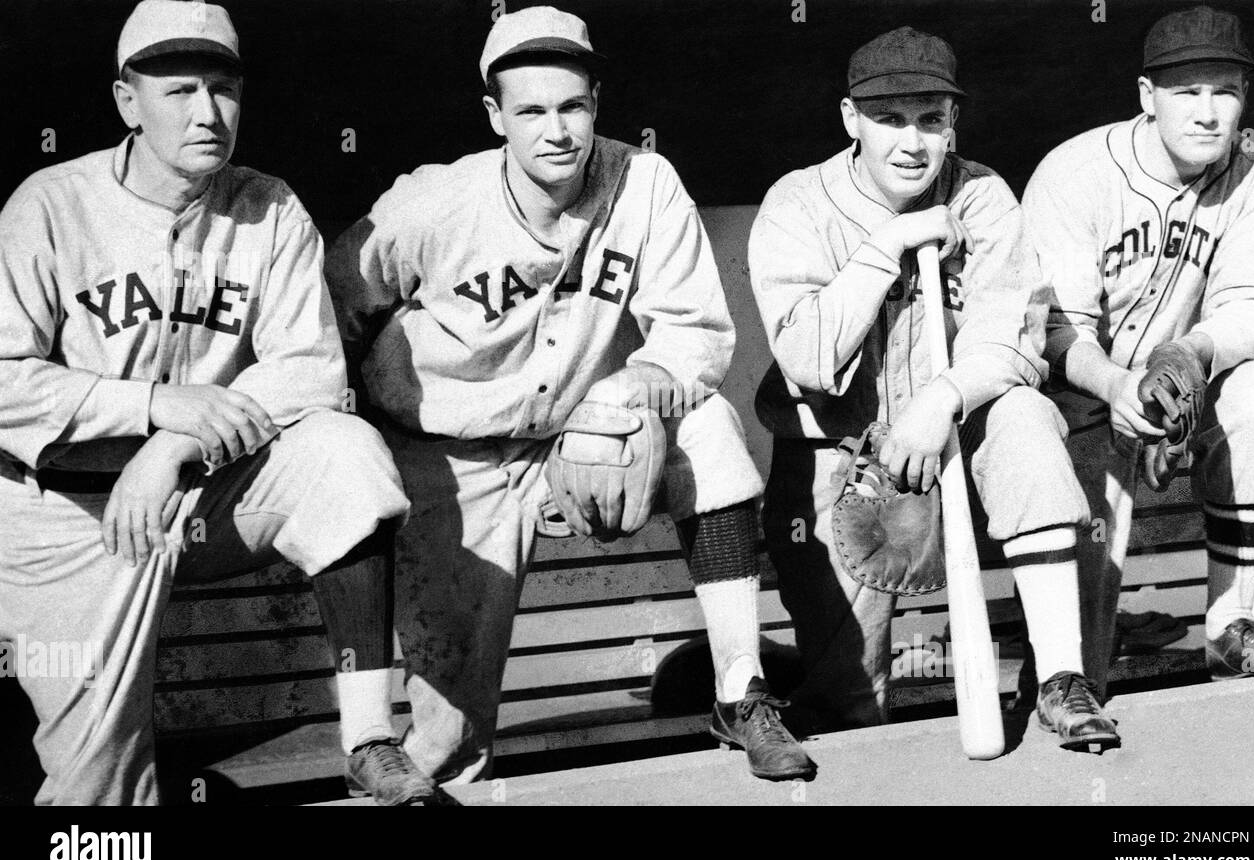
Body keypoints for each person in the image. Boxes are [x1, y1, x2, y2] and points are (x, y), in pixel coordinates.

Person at [325, 6, 816, 784]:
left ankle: (740, 692)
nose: (556, 129)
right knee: (445, 745)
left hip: (577, 434)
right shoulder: (431, 206)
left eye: (572, 105)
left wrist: (646, 377)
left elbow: (696, 330)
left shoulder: (645, 182)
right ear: (495, 117)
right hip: (448, 459)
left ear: (596, 103)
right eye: (531, 111)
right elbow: (338, 307)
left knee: (709, 427)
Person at [0, 0, 434, 805]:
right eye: (180, 90)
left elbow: (309, 368)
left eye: (223, 88)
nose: (208, 112)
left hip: (204, 494)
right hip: (67, 512)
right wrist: (155, 406)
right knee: (101, 798)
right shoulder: (49, 205)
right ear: (128, 101)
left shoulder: (268, 206)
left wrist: (176, 446)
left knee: (345, 452)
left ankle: (370, 735)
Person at [748, 26, 1119, 752]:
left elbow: (1010, 343)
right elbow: (809, 358)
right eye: (889, 119)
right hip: (840, 455)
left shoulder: (982, 194)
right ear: (851, 119)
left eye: (930, 119)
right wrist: (888, 245)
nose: (912, 141)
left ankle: (1062, 679)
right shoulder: (797, 203)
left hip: (962, 445)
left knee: (1023, 415)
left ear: (954, 123)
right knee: (850, 705)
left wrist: (939, 400)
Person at [1022, 5, 1254, 693]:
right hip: (1077, 402)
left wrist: (1194, 352)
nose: (1208, 112)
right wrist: (1118, 387)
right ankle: (1068, 652)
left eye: (1224, 90)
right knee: (1080, 668)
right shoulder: (1076, 172)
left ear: (1244, 97)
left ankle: (1229, 625)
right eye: (1187, 91)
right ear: (1148, 98)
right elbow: (1055, 331)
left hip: (1183, 391)